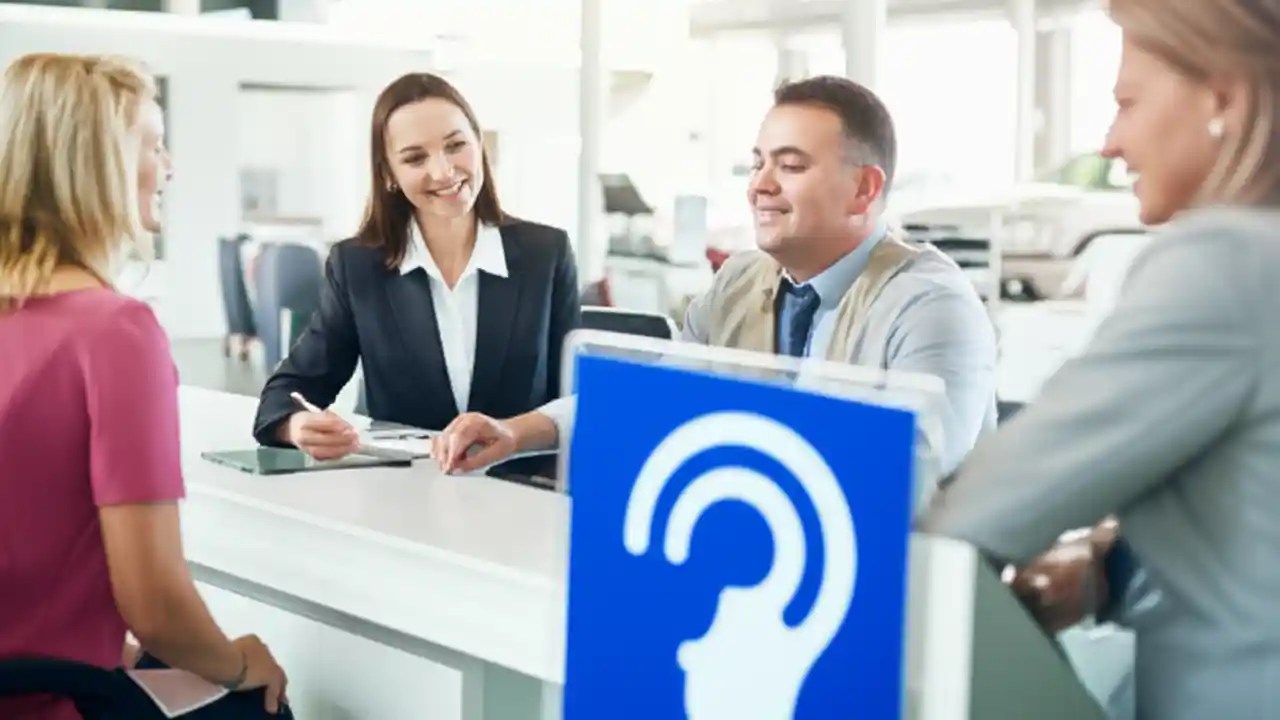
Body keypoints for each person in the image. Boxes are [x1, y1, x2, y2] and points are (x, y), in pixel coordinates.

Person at [919, 0, 1280, 717]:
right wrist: (1106, 567)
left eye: (1128, 103)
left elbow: (976, 516)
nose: (1110, 143)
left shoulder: (1228, 264)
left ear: (1224, 99)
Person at [432, 75, 998, 482]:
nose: (759, 186)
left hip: (907, 604)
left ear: (865, 190)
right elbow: (659, 395)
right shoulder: (741, 281)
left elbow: (914, 468)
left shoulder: (927, 304)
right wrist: (518, 432)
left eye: (791, 165)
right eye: (758, 163)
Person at [0, 54, 289, 719]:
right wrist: (241, 660)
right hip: (49, 700)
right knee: (260, 703)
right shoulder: (114, 334)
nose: (169, 165)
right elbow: (155, 604)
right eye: (154, 144)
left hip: (24, 669)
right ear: (97, 164)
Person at [252, 72, 579, 466]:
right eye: (415, 158)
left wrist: (515, 432)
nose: (443, 171)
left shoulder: (546, 253)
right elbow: (286, 393)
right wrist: (298, 424)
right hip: (405, 497)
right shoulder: (358, 267)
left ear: (479, 145)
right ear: (389, 173)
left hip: (523, 492)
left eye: (456, 146)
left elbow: (579, 395)